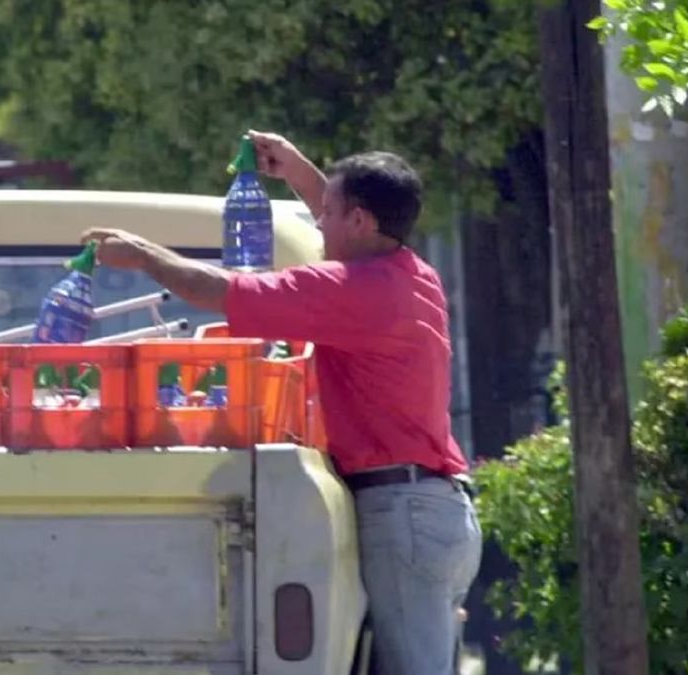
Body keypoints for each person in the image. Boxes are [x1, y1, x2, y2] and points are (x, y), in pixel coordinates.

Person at [81, 130, 483, 675]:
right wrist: (296, 170)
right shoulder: (412, 274)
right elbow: (347, 216)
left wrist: (144, 255)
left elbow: (219, 291)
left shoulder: (352, 292)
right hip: (433, 508)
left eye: (328, 212)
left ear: (361, 221)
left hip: (403, 513)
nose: (318, 222)